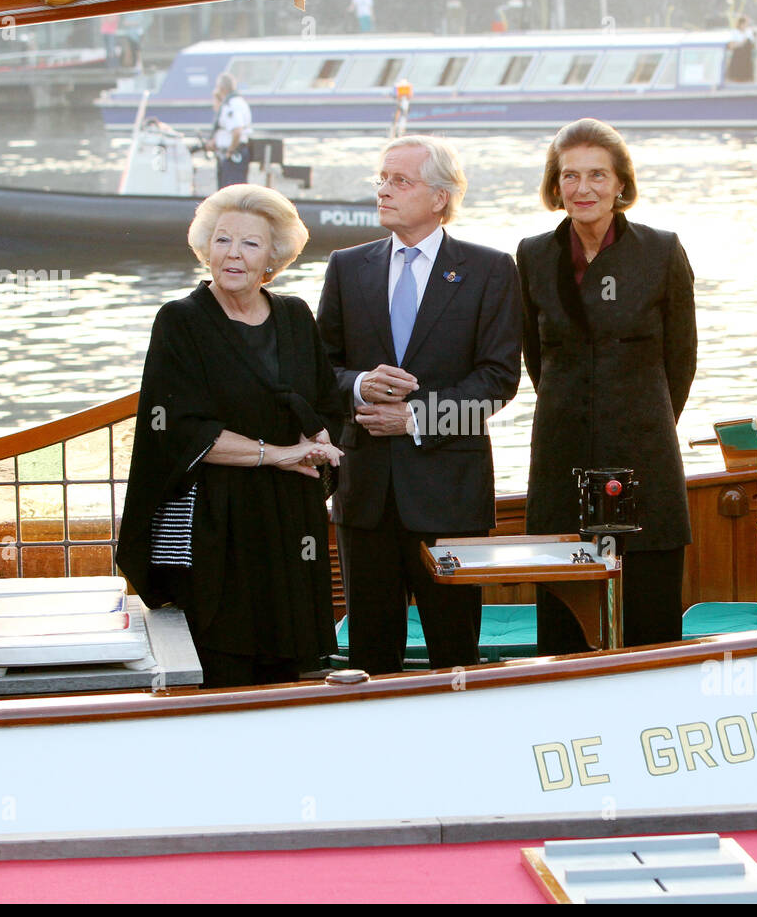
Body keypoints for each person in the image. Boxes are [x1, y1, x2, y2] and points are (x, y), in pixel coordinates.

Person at [116, 185, 343, 687]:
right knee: (224, 669)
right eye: (222, 240)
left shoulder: (295, 315)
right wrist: (278, 454)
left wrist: (323, 444)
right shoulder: (181, 322)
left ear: (273, 258)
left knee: (288, 671)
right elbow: (178, 431)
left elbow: (325, 401)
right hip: (216, 522)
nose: (233, 254)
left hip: (288, 520)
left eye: (249, 244)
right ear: (205, 248)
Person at [316, 135, 520, 676]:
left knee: (456, 659)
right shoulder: (346, 266)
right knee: (371, 661)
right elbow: (318, 371)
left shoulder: (489, 269)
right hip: (366, 498)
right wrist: (360, 385)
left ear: (440, 197)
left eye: (399, 181)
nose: (383, 190)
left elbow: (499, 381)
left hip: (449, 496)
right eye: (381, 179)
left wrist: (414, 418)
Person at [518, 118, 697, 653]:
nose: (583, 188)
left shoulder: (661, 252)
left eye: (598, 175)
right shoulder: (533, 255)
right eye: (569, 176)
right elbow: (536, 358)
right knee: (565, 628)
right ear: (555, 186)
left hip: (645, 454)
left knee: (649, 623)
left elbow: (680, 363)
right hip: (560, 455)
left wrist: (642, 421)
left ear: (621, 184)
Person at [210, 72, 252, 189]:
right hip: (235, 154)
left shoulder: (231, 105)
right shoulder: (239, 102)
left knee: (230, 194)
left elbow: (237, 131)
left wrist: (229, 152)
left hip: (233, 157)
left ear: (221, 89)